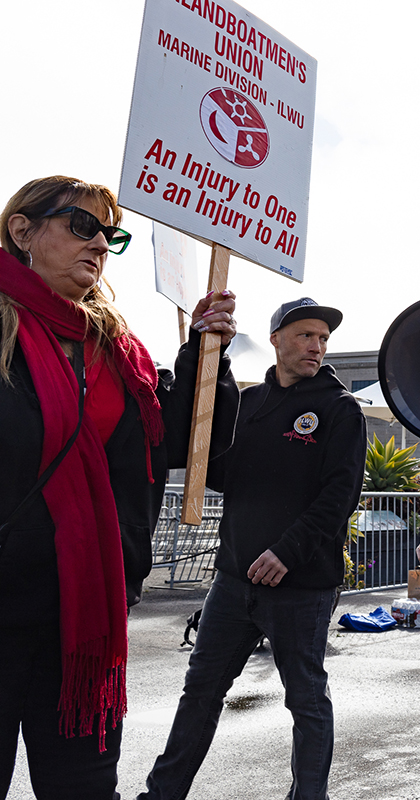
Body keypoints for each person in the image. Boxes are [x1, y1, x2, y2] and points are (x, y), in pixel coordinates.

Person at [0, 176, 238, 799]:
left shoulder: (118, 350)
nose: (100, 245)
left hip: (83, 619)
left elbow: (191, 443)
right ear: (22, 230)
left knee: (83, 789)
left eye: (111, 235)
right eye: (82, 226)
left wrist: (207, 355)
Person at [140, 298, 367, 800]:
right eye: (306, 335)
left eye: (323, 339)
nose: (317, 346)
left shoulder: (339, 408)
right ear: (277, 339)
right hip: (233, 580)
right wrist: (208, 369)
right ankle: (162, 793)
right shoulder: (251, 403)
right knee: (200, 691)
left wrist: (287, 551)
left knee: (305, 699)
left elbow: (340, 495)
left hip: (301, 585)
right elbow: (220, 470)